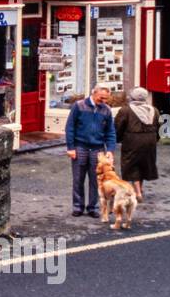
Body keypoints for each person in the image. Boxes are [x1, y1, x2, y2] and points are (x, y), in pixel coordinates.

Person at [65, 84, 116, 217]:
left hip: (98, 149)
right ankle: (78, 206)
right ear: (93, 93)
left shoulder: (106, 110)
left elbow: (110, 131)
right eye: (101, 98)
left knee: (95, 180)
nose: (104, 101)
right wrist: (70, 147)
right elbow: (70, 127)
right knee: (78, 178)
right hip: (79, 146)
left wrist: (110, 149)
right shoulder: (79, 105)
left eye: (106, 99)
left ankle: (93, 207)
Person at [116, 86, 160, 201]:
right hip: (150, 141)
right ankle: (140, 188)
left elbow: (118, 126)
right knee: (144, 164)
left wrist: (118, 138)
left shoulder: (125, 110)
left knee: (132, 165)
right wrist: (155, 139)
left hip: (132, 141)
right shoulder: (154, 110)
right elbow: (158, 127)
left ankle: (137, 192)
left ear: (132, 97)